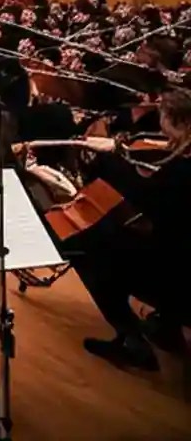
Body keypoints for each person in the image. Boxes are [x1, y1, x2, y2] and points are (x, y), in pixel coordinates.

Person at [69, 88, 191, 369]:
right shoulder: (180, 158)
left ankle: (131, 339)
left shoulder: (181, 169)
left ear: (174, 119)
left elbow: (145, 205)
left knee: (83, 246)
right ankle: (167, 327)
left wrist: (106, 159)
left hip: (174, 268)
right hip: (180, 254)